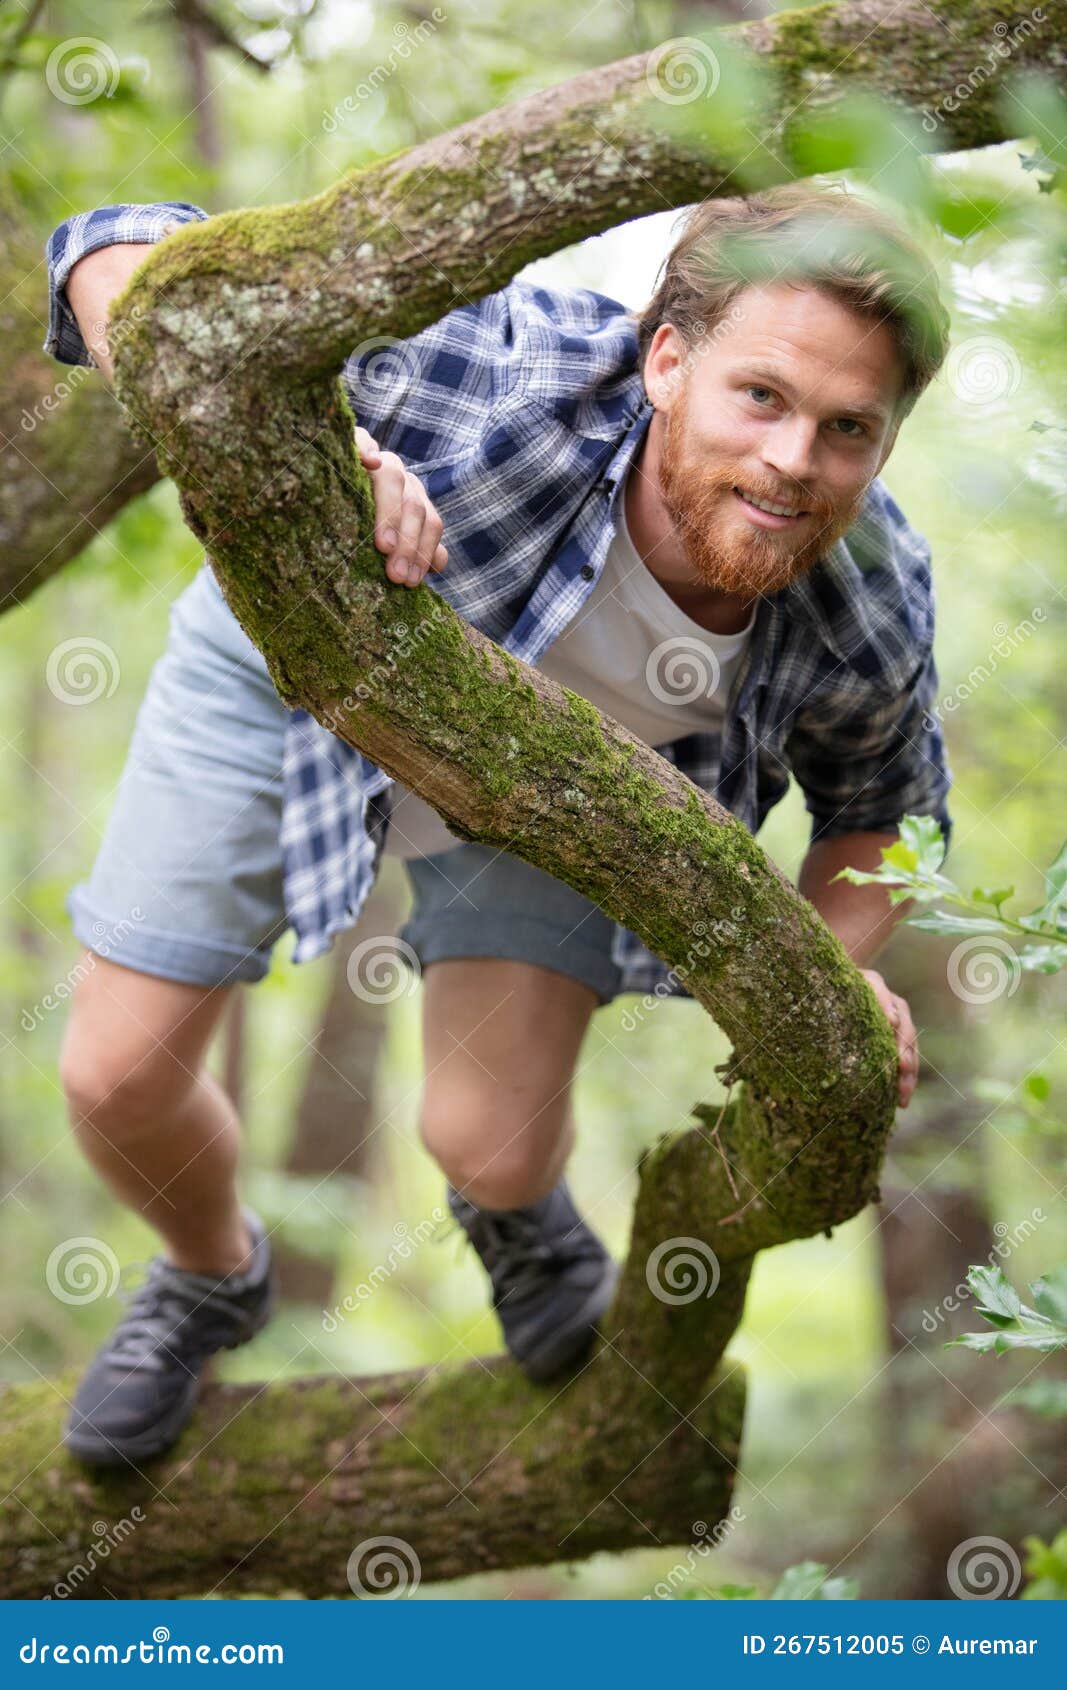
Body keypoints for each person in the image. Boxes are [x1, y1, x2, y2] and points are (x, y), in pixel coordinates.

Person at [43, 181, 952, 1468]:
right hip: (285, 679)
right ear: (666, 361)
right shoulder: (495, 368)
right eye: (761, 397)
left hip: (566, 787)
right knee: (115, 1078)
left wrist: (828, 984)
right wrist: (330, 458)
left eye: (846, 427)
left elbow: (885, 814)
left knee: (486, 1138)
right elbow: (111, 240)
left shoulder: (872, 590)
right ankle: (207, 1275)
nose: (793, 461)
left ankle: (519, 1220)